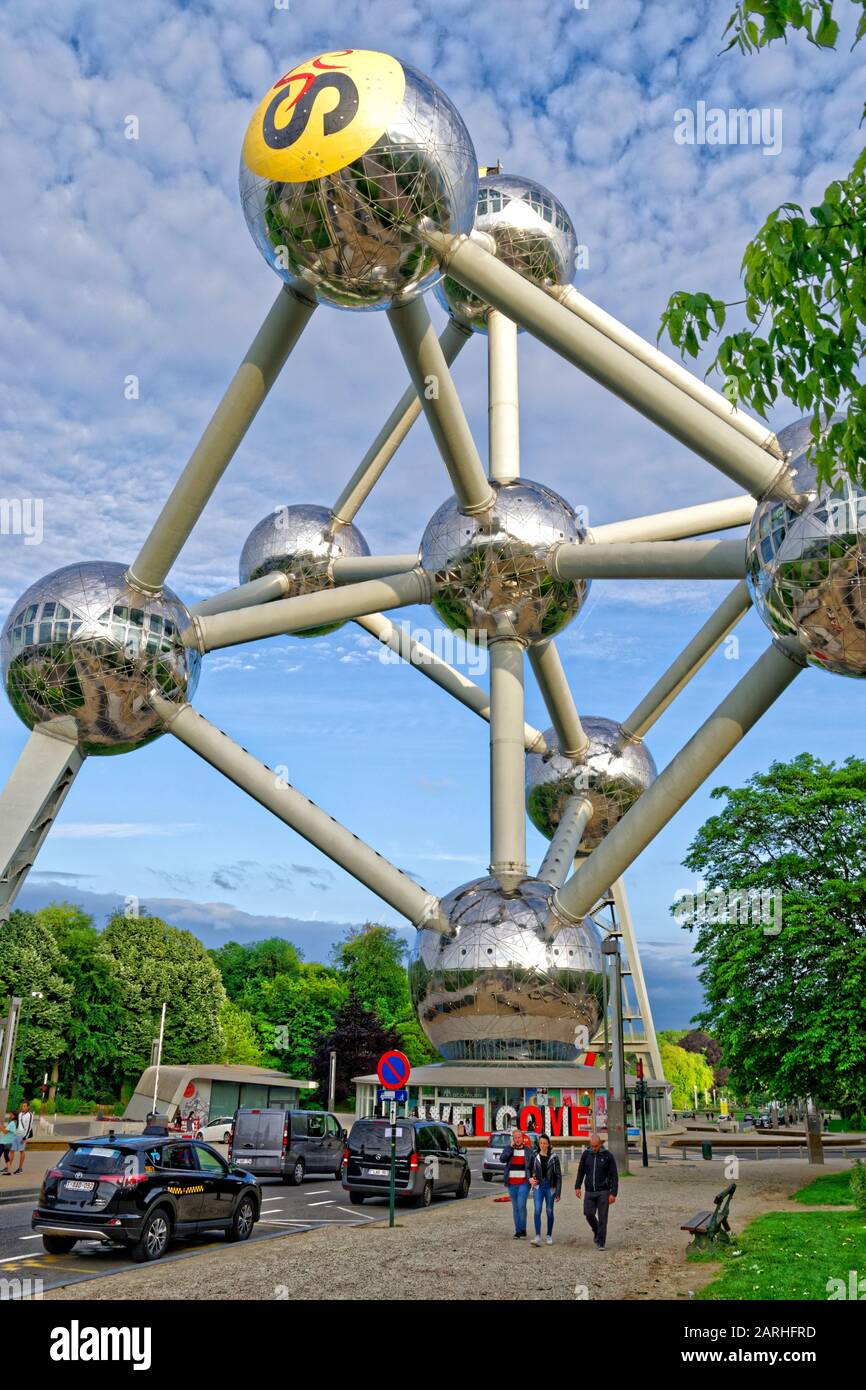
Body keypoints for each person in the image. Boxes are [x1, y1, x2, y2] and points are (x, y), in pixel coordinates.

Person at [574, 1132, 618, 1249]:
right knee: (588, 1213)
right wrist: (577, 1187)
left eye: (596, 1146)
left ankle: (601, 1242)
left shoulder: (608, 1156)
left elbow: (614, 1175)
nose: (594, 1148)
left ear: (600, 1144)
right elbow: (580, 1172)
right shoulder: (586, 1155)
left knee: (603, 1217)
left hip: (604, 1191)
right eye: (592, 1146)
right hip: (589, 1191)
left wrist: (613, 1193)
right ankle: (597, 1230)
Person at [529, 1133, 561, 1246]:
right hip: (538, 1186)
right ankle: (537, 1236)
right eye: (541, 1143)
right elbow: (528, 1169)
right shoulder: (534, 1155)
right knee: (537, 1210)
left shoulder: (554, 1157)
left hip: (550, 1187)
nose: (543, 1145)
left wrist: (558, 1192)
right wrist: (530, 1179)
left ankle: (549, 1235)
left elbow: (558, 1175)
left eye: (545, 1143)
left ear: (548, 1144)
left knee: (549, 1211)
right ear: (539, 1144)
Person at [500, 1127, 533, 1239]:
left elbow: (532, 1166)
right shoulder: (509, 1149)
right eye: (515, 1138)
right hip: (511, 1183)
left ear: (523, 1138)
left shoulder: (528, 1151)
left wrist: (532, 1178)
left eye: (519, 1137)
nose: (518, 1139)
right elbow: (502, 1159)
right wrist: (510, 1147)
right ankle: (517, 1231)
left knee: (521, 1205)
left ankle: (523, 1230)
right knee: (515, 1207)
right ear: (513, 1139)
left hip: (524, 1182)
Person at [12, 1101, 33, 1174]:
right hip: (16, 1134)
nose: (23, 1107)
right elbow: (18, 1124)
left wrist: (24, 1138)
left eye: (24, 1106)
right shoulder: (20, 1114)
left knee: (21, 1151)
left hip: (22, 1136)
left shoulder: (29, 1115)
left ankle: (20, 1168)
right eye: (22, 1106)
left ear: (28, 1107)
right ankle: (8, 1167)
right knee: (11, 1150)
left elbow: (29, 1127)